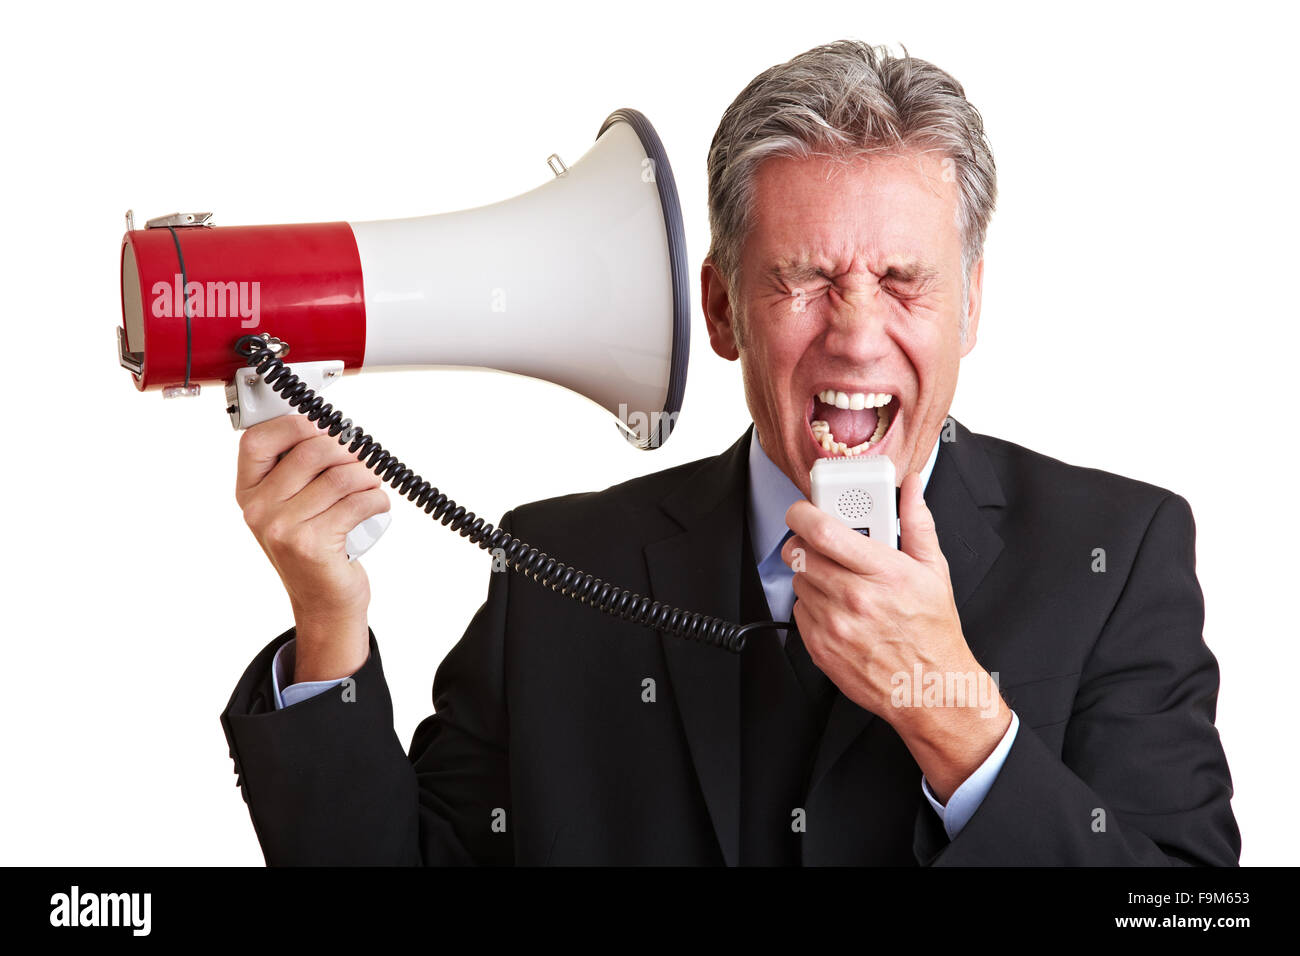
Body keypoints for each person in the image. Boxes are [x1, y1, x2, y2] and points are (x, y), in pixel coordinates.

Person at [222, 40, 1240, 865]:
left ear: (969, 306)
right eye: (801, 277)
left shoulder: (1113, 554)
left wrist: (956, 716)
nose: (853, 332)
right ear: (720, 307)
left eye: (900, 279)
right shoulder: (559, 569)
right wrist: (328, 623)